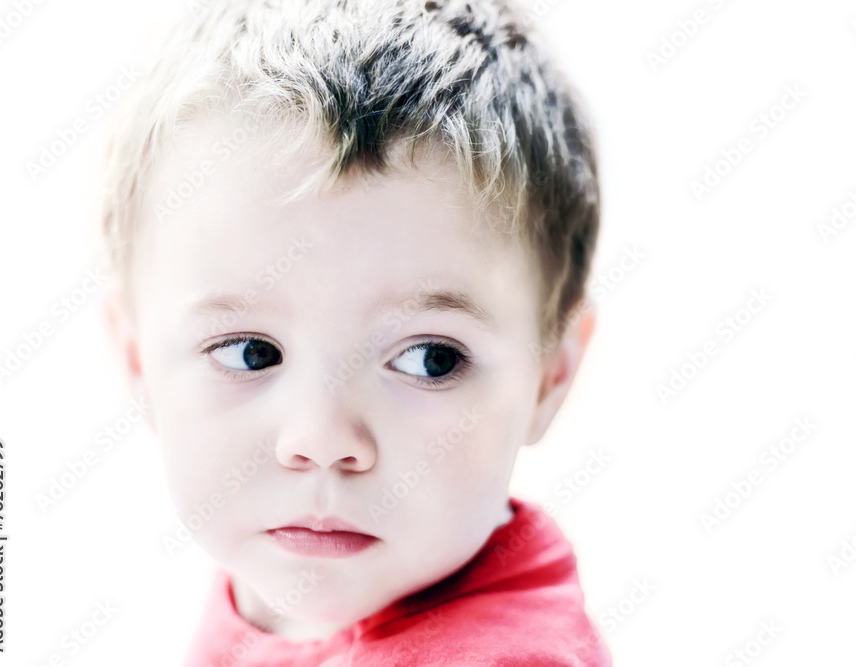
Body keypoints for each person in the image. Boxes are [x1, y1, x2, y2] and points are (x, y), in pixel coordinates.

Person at [98, 0, 608, 663]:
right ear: (138, 359)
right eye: (250, 352)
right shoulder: (271, 574)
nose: (321, 440)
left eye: (429, 358)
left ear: (550, 374)